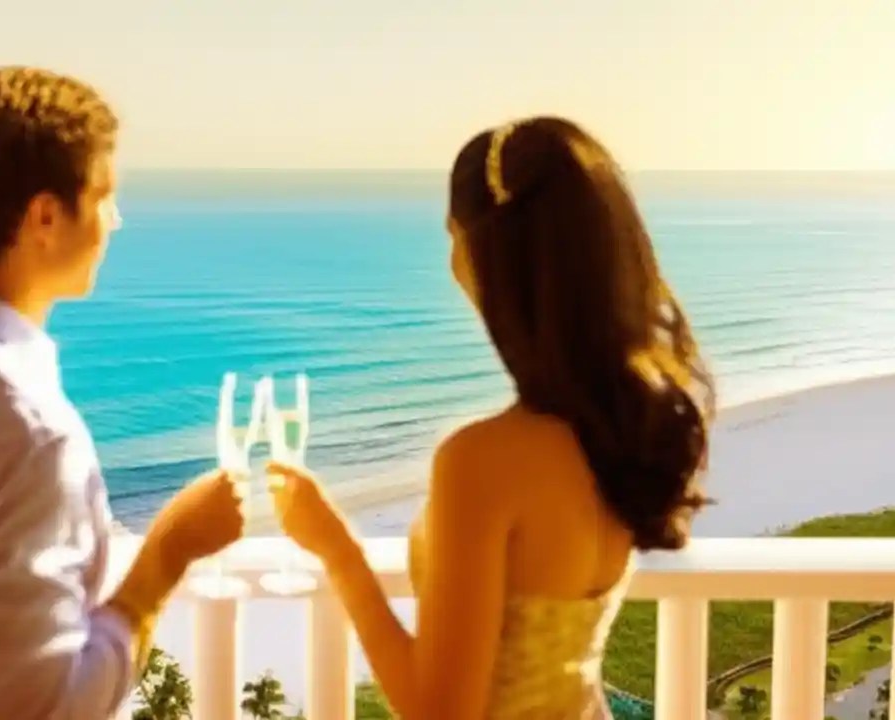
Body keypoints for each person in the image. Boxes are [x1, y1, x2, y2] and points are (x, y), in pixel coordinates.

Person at [267, 116, 716, 719]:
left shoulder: (482, 461)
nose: (451, 260)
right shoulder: (616, 428)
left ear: (490, 255)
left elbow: (438, 713)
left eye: (454, 236)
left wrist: (338, 550)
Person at [0, 66, 245, 720]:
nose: (116, 220)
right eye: (104, 196)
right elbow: (44, 707)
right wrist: (167, 555)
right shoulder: (25, 431)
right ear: (46, 217)